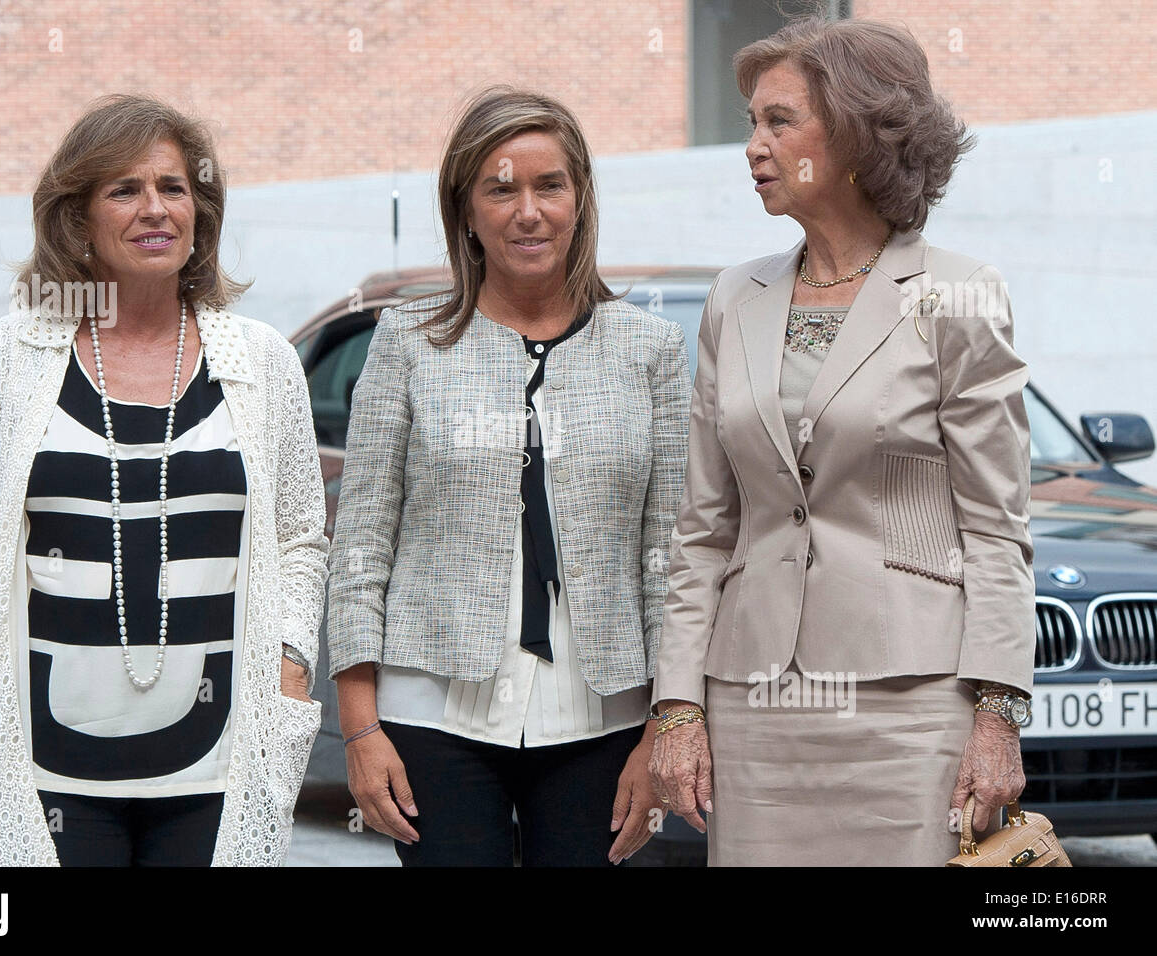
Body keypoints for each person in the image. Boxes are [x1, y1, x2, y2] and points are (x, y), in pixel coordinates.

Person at [650, 18, 1036, 866]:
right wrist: (677, 708)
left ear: (859, 130)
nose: (753, 145)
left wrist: (997, 713)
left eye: (778, 121)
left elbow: (997, 527)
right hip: (751, 703)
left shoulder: (960, 294)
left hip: (912, 701)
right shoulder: (733, 297)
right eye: (751, 122)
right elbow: (704, 529)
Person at [0, 94, 327, 866]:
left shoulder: (261, 361)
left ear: (200, 210)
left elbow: (301, 538)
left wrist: (287, 663)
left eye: (173, 188)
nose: (156, 210)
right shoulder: (11, 355)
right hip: (45, 757)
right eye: (125, 190)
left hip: (219, 759)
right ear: (78, 218)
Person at [327, 86, 691, 866]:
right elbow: (359, 547)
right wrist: (361, 728)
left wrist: (665, 726)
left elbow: (671, 562)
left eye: (549, 185)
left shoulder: (651, 351)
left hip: (607, 720)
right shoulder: (407, 343)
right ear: (466, 210)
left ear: (579, 200)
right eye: (500, 188)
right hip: (431, 717)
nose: (528, 211)